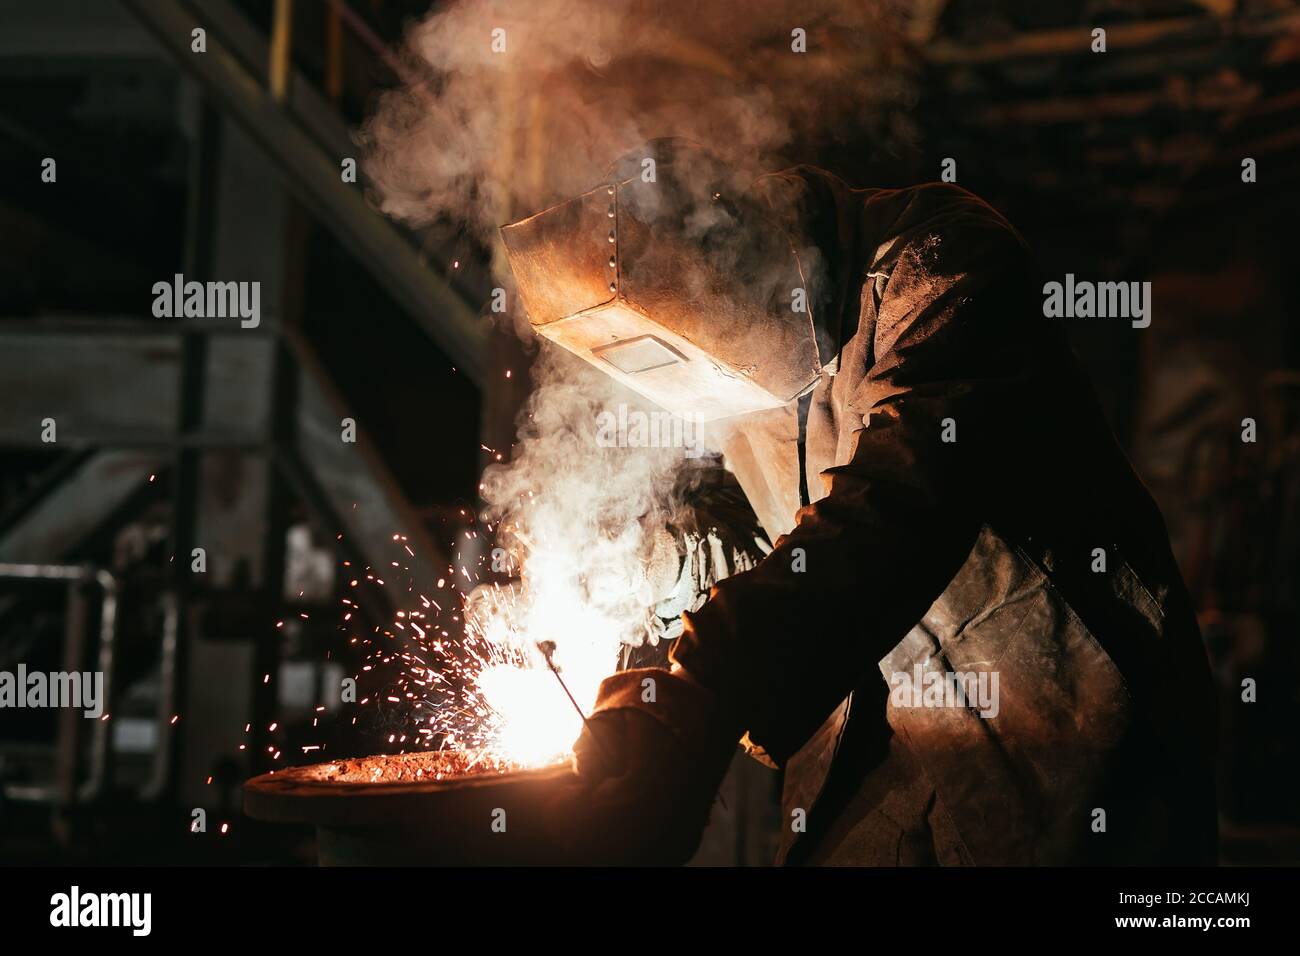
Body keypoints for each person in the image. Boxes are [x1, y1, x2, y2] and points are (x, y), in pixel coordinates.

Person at [502, 140, 1218, 865]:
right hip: (875, 732)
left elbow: (901, 500)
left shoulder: (939, 260)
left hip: (1055, 724)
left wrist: (704, 684)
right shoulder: (736, 340)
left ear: (738, 252)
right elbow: (783, 534)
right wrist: (660, 557)